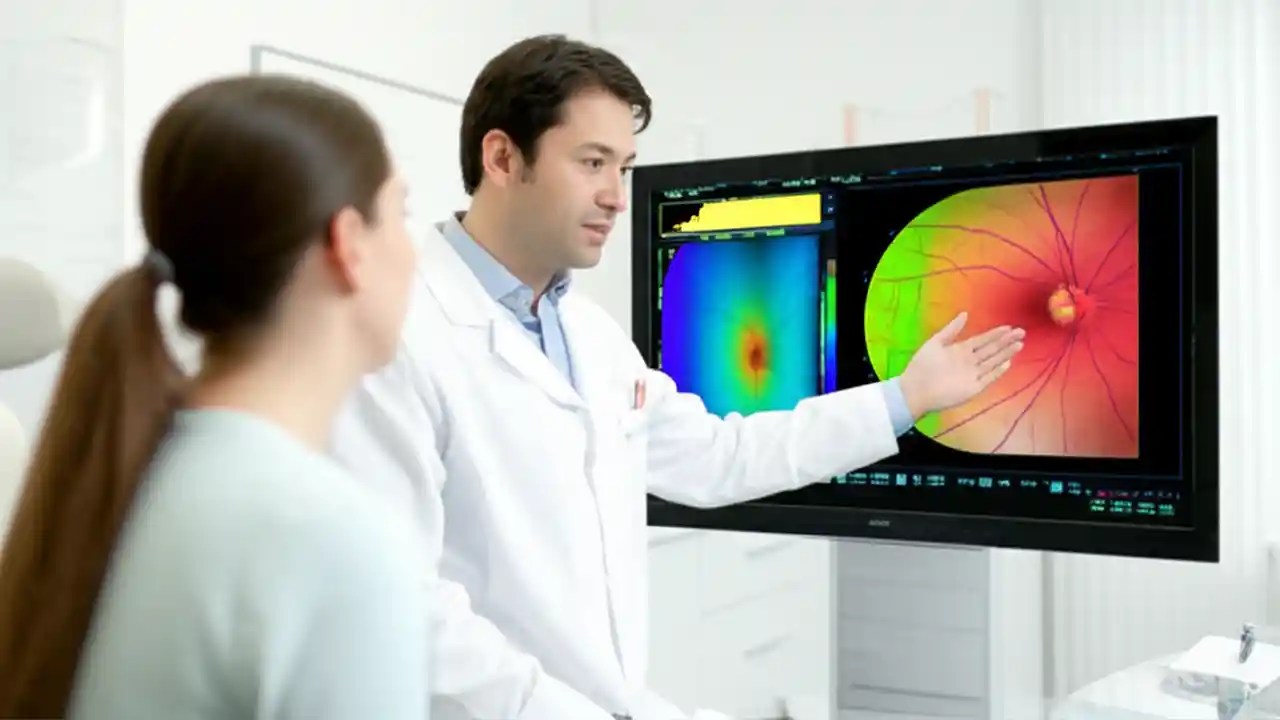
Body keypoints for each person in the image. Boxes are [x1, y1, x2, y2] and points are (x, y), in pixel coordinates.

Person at [331, 34, 1025, 720]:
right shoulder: (395, 335)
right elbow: (405, 607)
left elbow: (720, 457)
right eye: (592, 162)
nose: (616, 197)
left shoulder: (591, 338)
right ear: (504, 157)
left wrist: (906, 398)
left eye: (625, 168)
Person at [0, 75, 429, 719]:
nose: (415, 249)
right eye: (401, 211)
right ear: (349, 246)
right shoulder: (331, 541)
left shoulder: (118, 476)